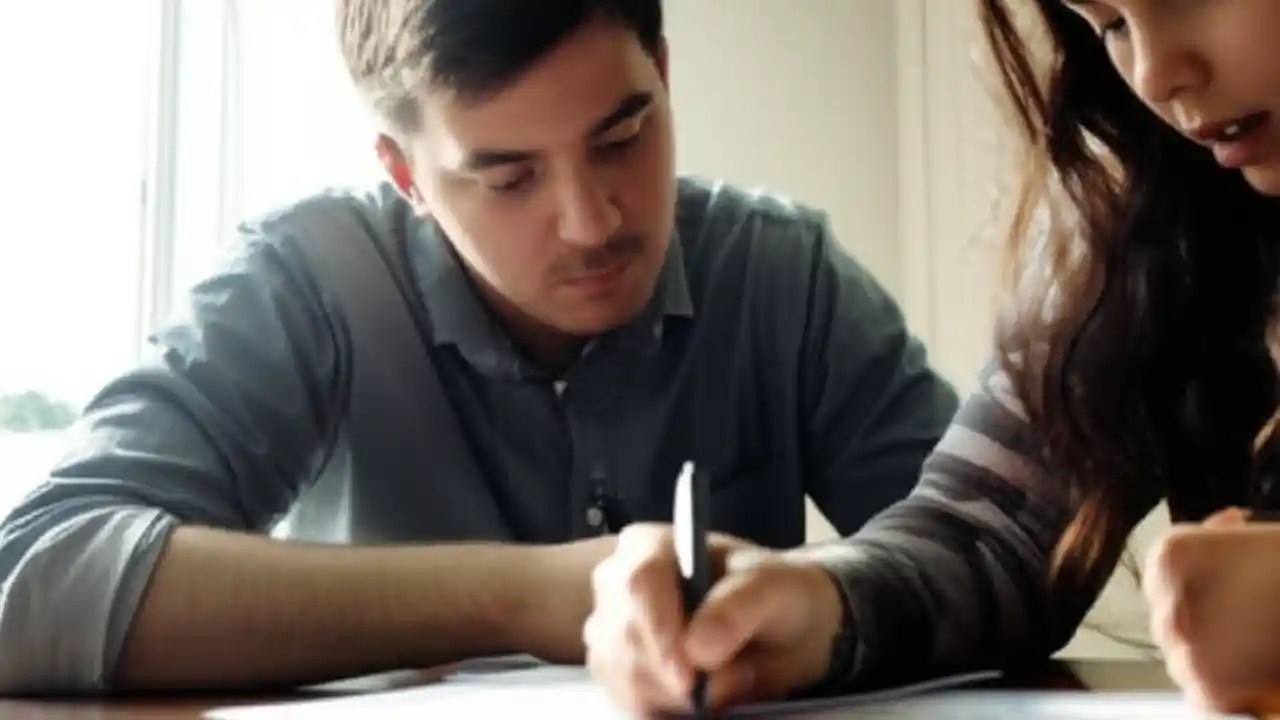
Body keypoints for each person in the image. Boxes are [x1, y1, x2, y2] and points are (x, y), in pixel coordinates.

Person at [0, 0, 958, 694]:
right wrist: (533, 597)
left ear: (663, 76)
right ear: (404, 171)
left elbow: (997, 554)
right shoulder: (310, 277)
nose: (591, 223)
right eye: (507, 179)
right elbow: (33, 577)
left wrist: (812, 602)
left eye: (623, 136)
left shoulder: (782, 272)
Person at [585, 0, 1280, 715]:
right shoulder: (1149, 209)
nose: (1156, 74)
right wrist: (818, 604)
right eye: (1110, 24)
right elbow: (987, 530)